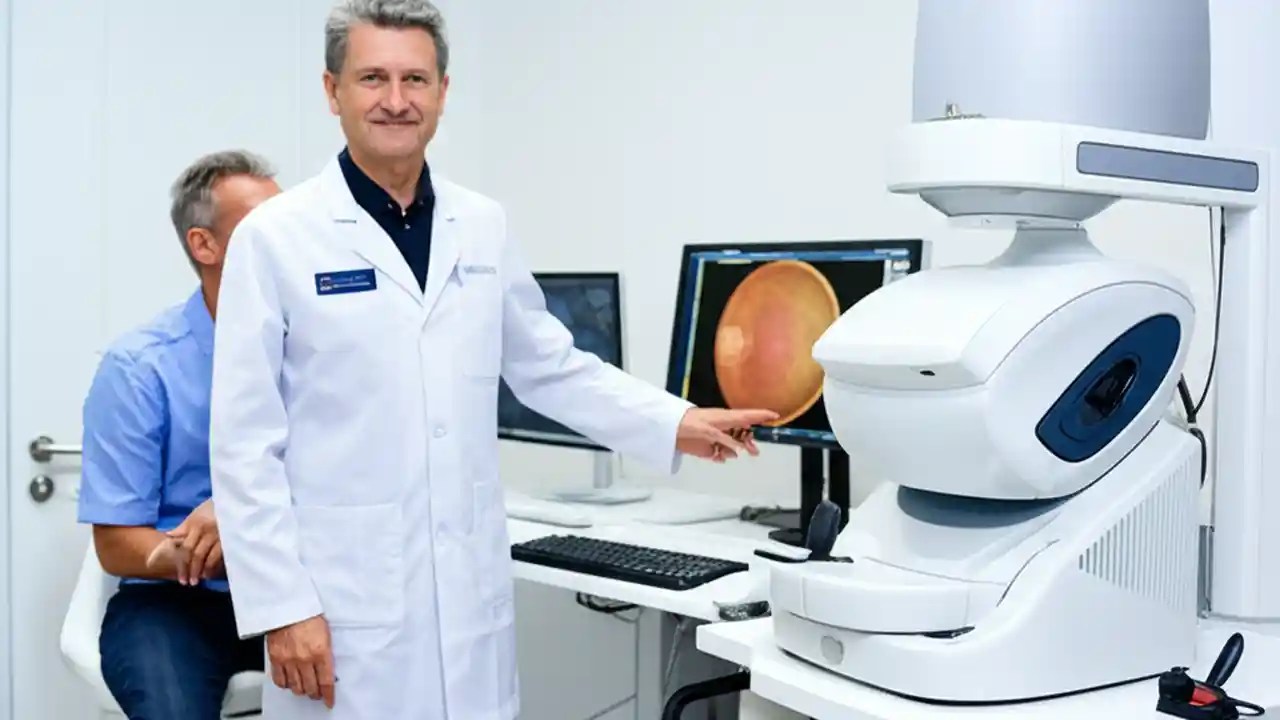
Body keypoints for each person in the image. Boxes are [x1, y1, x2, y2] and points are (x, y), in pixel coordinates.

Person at [206, 2, 778, 718]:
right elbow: (243, 445)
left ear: (443, 91)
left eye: (415, 78)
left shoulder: (480, 224)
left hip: (466, 595)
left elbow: (548, 364)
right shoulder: (275, 238)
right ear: (333, 92)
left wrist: (678, 422)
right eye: (372, 78)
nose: (394, 100)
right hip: (343, 603)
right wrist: (282, 607)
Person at [77, 150, 281, 719]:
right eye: (263, 231)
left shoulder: (318, 356)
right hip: (176, 603)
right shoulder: (139, 368)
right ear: (204, 245)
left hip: (291, 588)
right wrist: (213, 552)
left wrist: (243, 519)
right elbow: (117, 543)